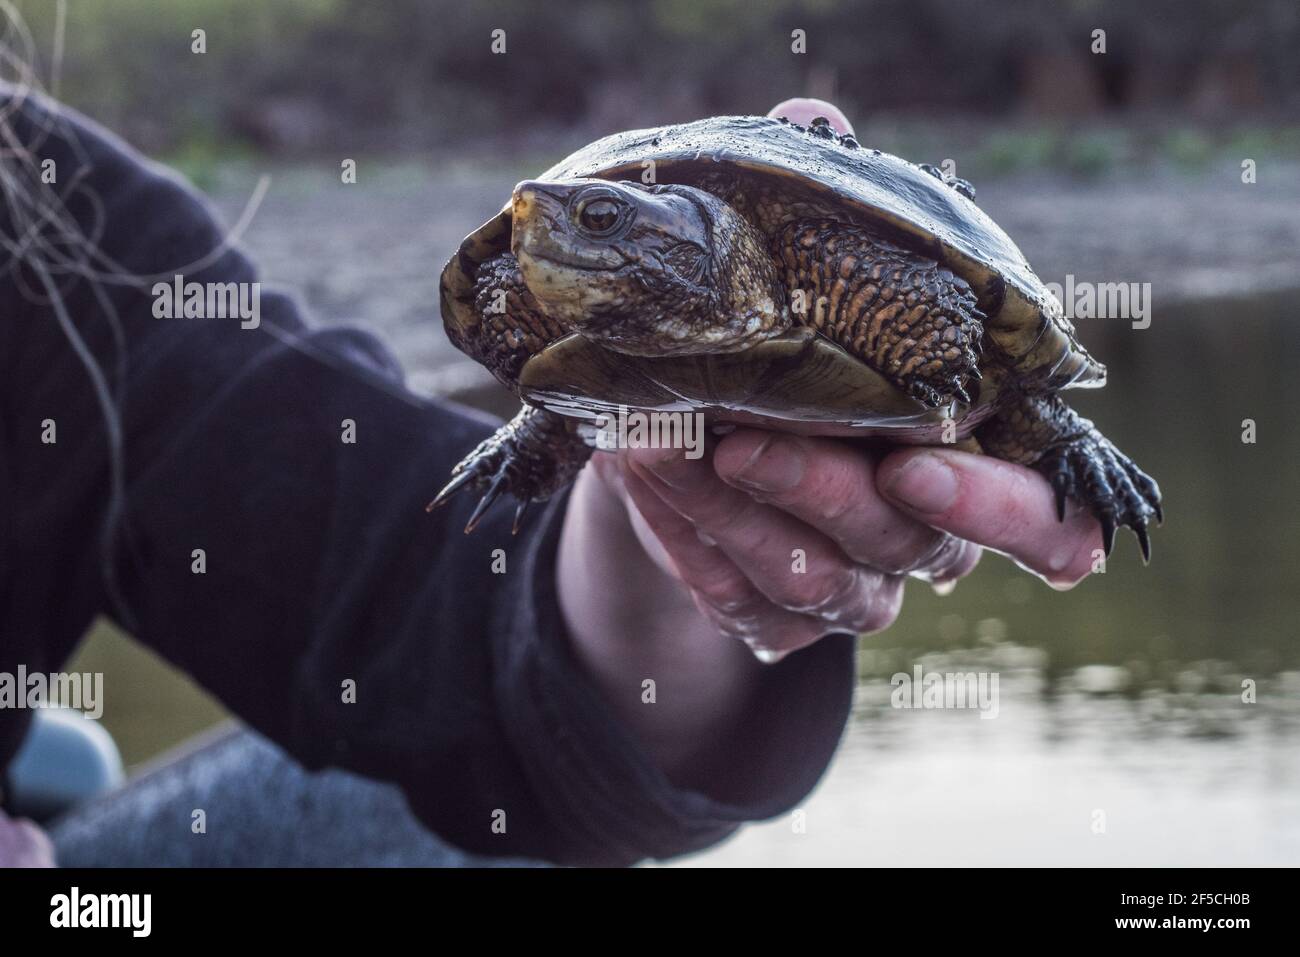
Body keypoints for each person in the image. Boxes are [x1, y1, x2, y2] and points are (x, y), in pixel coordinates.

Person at [0, 91, 1103, 867]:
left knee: (450, 834)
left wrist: (661, 534)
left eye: (596, 221)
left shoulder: (57, 232)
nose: (541, 233)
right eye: (569, 226)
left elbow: (427, 607)